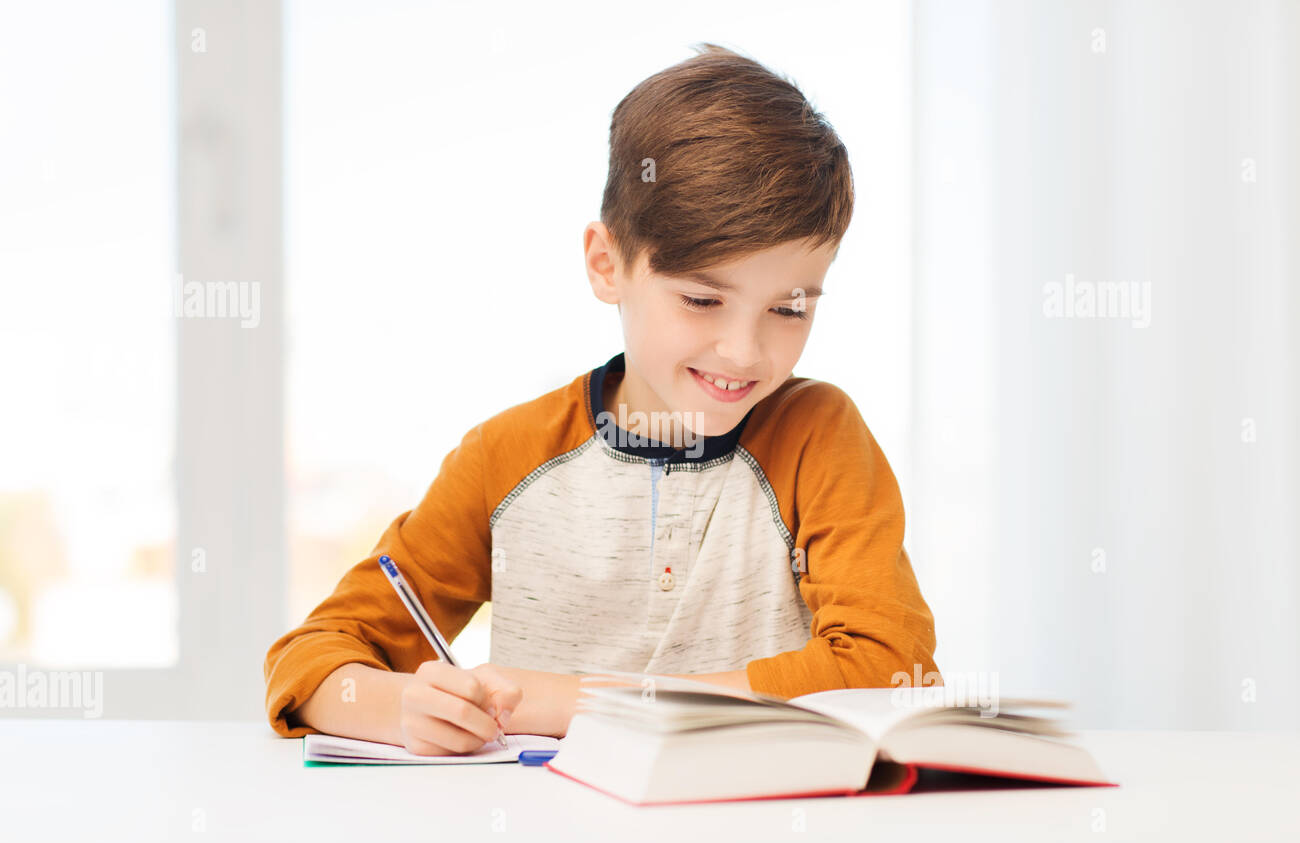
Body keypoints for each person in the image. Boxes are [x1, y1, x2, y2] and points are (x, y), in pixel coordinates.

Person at [264, 42, 939, 755]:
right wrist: (401, 705)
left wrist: (570, 701)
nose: (744, 351)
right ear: (606, 264)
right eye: (703, 299)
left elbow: (891, 669)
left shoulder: (818, 437)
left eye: (789, 308)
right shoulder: (507, 457)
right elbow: (308, 662)